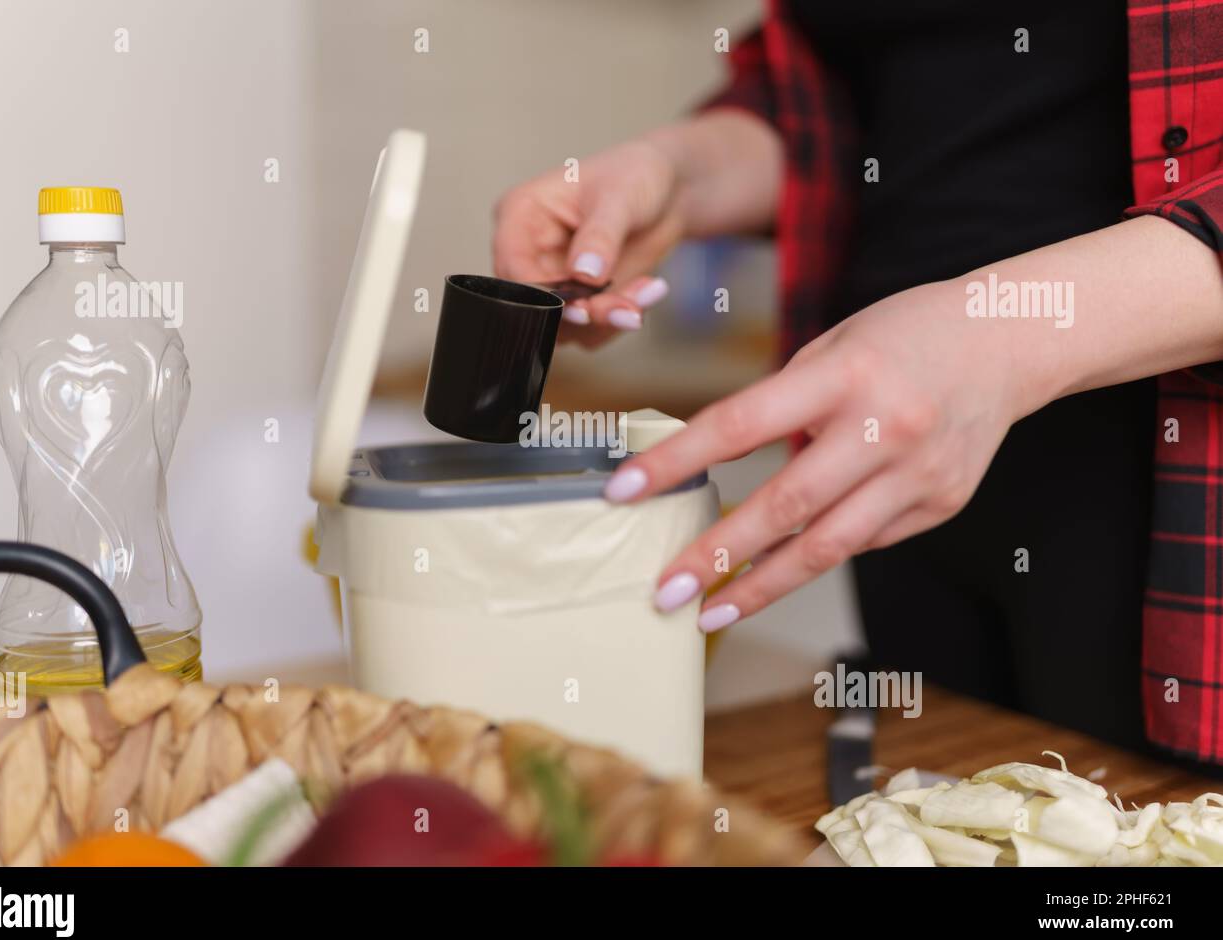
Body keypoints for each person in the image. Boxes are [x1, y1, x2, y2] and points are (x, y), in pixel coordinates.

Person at [491, 2, 1223, 767]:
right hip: (897, 470)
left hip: (1172, 489)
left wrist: (1003, 332)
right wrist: (678, 172)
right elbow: (848, 97)